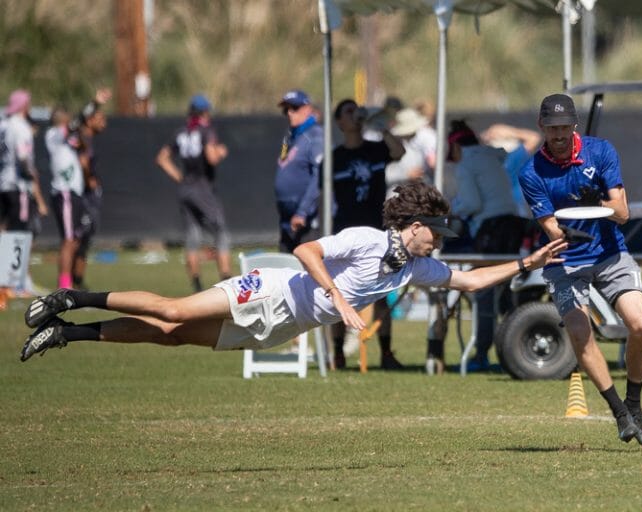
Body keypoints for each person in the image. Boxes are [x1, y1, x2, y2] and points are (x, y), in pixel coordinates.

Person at [20, 182, 567, 367]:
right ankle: (70, 297)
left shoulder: (417, 265)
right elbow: (305, 250)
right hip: (272, 291)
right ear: (417, 224)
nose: (437, 243)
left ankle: (66, 334)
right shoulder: (366, 239)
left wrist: (526, 263)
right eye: (435, 233)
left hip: (281, 327)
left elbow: (469, 281)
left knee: (174, 338)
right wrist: (338, 297)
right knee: (172, 309)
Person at [518, 93, 642, 447]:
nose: (559, 134)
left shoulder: (601, 151)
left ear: (574, 125)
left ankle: (635, 405)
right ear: (541, 127)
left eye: (565, 127)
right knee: (580, 332)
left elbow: (622, 214)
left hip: (610, 253)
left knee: (641, 325)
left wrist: (599, 204)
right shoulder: (531, 172)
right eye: (552, 128)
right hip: (566, 260)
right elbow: (551, 228)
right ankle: (619, 414)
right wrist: (570, 226)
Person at [440, 119, 529, 372]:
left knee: (485, 293)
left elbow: (472, 204)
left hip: (492, 231)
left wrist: (452, 209)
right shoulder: (490, 156)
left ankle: (481, 354)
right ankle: (512, 351)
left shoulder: (466, 164)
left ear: (455, 146)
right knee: (506, 294)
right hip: (512, 226)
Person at [329, 98, 405, 370]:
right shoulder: (334, 158)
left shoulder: (375, 149)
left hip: (376, 231)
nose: (356, 115)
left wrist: (381, 127)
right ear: (340, 122)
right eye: (349, 112)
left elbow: (399, 152)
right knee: (340, 292)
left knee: (382, 292)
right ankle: (337, 353)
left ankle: (386, 353)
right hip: (344, 234)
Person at [156, 94, 231, 292]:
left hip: (186, 189)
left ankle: (197, 285)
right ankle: (227, 280)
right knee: (220, 230)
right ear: (205, 113)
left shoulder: (181, 132)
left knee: (193, 236)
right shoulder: (206, 131)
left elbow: (162, 158)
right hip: (202, 188)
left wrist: (179, 177)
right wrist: (221, 151)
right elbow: (212, 158)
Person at [1, 89, 48, 303]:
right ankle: (15, 283)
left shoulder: (4, 125)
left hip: (4, 183)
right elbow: (23, 158)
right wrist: (32, 175)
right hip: (18, 185)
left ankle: (11, 281)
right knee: (19, 233)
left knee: (7, 231)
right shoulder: (21, 128)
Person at [45, 106, 90, 290]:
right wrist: (94, 103)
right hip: (65, 193)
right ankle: (64, 285)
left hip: (74, 193)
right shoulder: (54, 135)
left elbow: (81, 144)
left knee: (75, 239)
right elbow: (74, 124)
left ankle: (69, 280)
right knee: (69, 240)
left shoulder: (68, 140)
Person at [274, 89, 323, 253]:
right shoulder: (290, 137)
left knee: (307, 269)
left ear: (307, 108)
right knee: (284, 270)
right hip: (287, 218)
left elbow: (319, 177)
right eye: (285, 110)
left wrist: (303, 211)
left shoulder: (315, 136)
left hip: (307, 219)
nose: (289, 113)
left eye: (294, 108)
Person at [73, 88, 111, 290]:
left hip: (90, 197)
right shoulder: (83, 138)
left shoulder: (88, 139)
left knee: (85, 240)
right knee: (79, 239)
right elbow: (84, 162)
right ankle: (72, 282)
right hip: (85, 197)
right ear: (89, 120)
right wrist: (89, 181)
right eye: (100, 117)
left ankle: (78, 282)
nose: (103, 121)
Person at [480, 122, 542, 218]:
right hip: (516, 204)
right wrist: (510, 131)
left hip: (495, 205)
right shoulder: (516, 155)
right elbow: (534, 138)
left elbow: (481, 139)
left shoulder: (488, 157)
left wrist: (491, 132)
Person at [385, 108, 437, 197]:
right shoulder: (391, 146)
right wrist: (407, 175)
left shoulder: (417, 144)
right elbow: (385, 174)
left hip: (415, 195)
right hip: (396, 196)